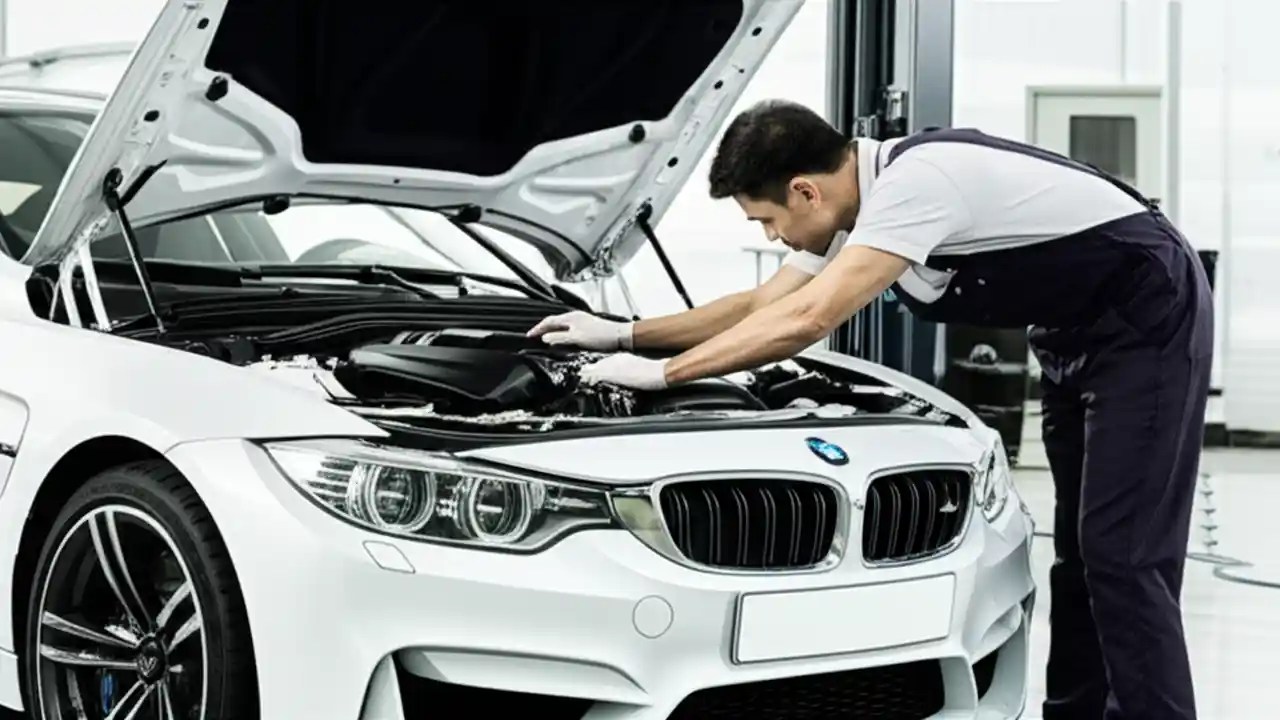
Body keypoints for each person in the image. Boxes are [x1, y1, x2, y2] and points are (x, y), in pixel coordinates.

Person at [527, 99, 1212, 720]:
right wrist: (619, 334)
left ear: (805, 191)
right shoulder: (852, 207)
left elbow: (808, 319)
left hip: (1146, 314)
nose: (770, 239)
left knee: (1125, 556)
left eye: (767, 221)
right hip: (1071, 332)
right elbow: (762, 306)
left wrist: (662, 375)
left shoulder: (918, 185)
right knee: (1080, 555)